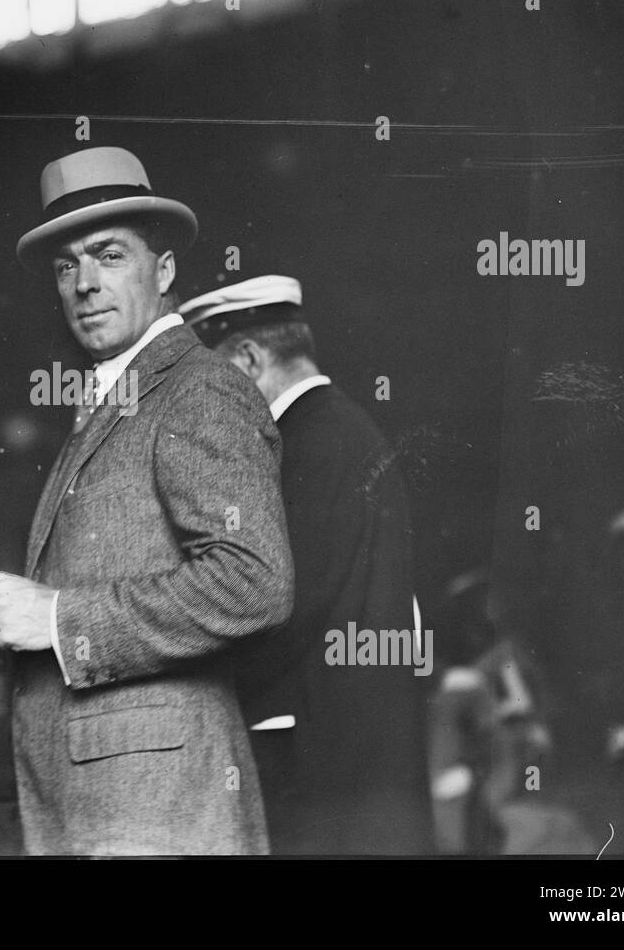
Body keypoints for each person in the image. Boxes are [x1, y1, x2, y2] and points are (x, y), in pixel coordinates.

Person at [0, 147, 294, 855]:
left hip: (161, 814)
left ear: (164, 270)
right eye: (66, 265)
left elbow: (255, 579)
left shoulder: (198, 388)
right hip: (107, 813)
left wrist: (52, 615)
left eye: (108, 254)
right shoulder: (116, 396)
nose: (84, 283)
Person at [179, 274, 434, 854]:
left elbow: (281, 609)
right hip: (355, 759)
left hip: (317, 764)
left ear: (247, 358)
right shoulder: (344, 431)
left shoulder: (304, 446)